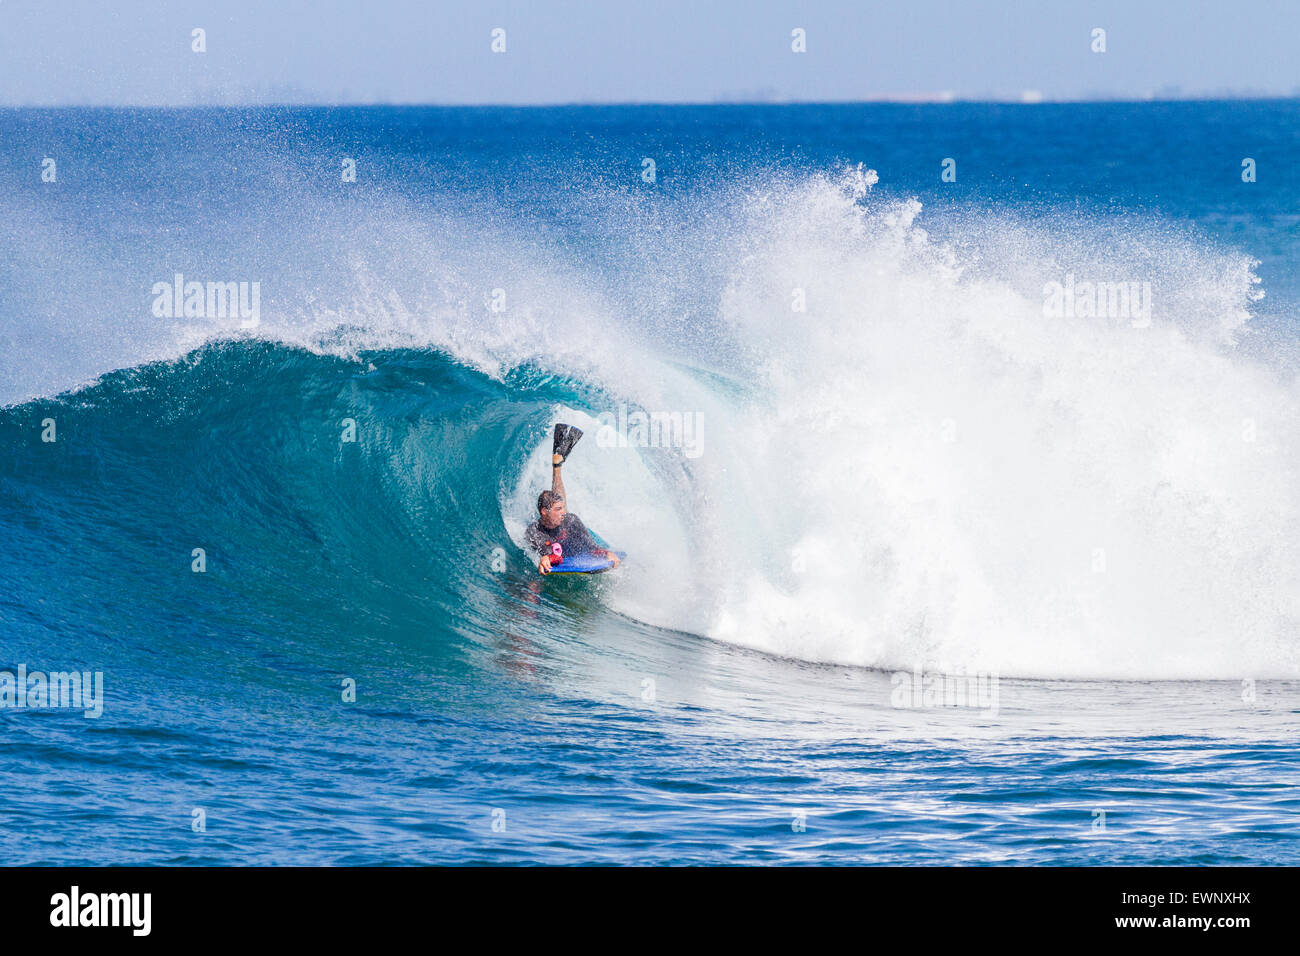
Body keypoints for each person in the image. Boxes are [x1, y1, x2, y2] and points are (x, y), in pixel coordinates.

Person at [525, 428, 621, 575]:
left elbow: (592, 547)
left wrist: (606, 553)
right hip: (557, 549)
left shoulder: (570, 520)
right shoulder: (534, 531)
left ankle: (557, 465)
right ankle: (557, 465)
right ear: (544, 512)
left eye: (562, 509)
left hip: (572, 549)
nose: (563, 513)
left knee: (565, 514)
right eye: (558, 510)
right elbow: (546, 552)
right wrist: (545, 558)